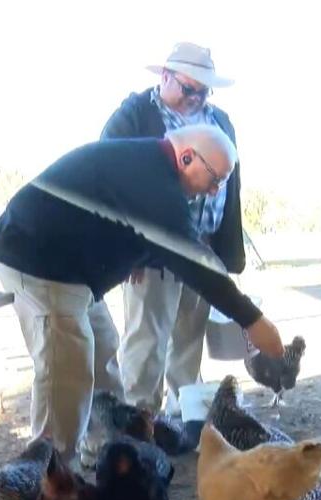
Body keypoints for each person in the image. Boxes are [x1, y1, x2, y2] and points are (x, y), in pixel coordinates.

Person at [0, 124, 283, 459]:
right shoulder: (154, 180)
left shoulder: (152, 171)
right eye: (214, 179)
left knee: (103, 356)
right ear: (186, 157)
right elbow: (191, 261)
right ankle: (52, 479)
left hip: (71, 274)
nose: (214, 191)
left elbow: (179, 248)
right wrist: (252, 320)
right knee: (67, 370)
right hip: (37, 261)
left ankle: (108, 454)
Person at [103, 41, 245, 414]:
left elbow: (231, 189)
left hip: (202, 248)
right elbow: (110, 184)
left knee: (188, 342)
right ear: (165, 77)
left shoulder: (221, 121)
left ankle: (179, 418)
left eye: (203, 90)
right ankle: (139, 424)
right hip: (151, 252)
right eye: (188, 88)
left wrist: (224, 253)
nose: (196, 97)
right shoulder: (134, 116)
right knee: (146, 344)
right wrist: (125, 247)